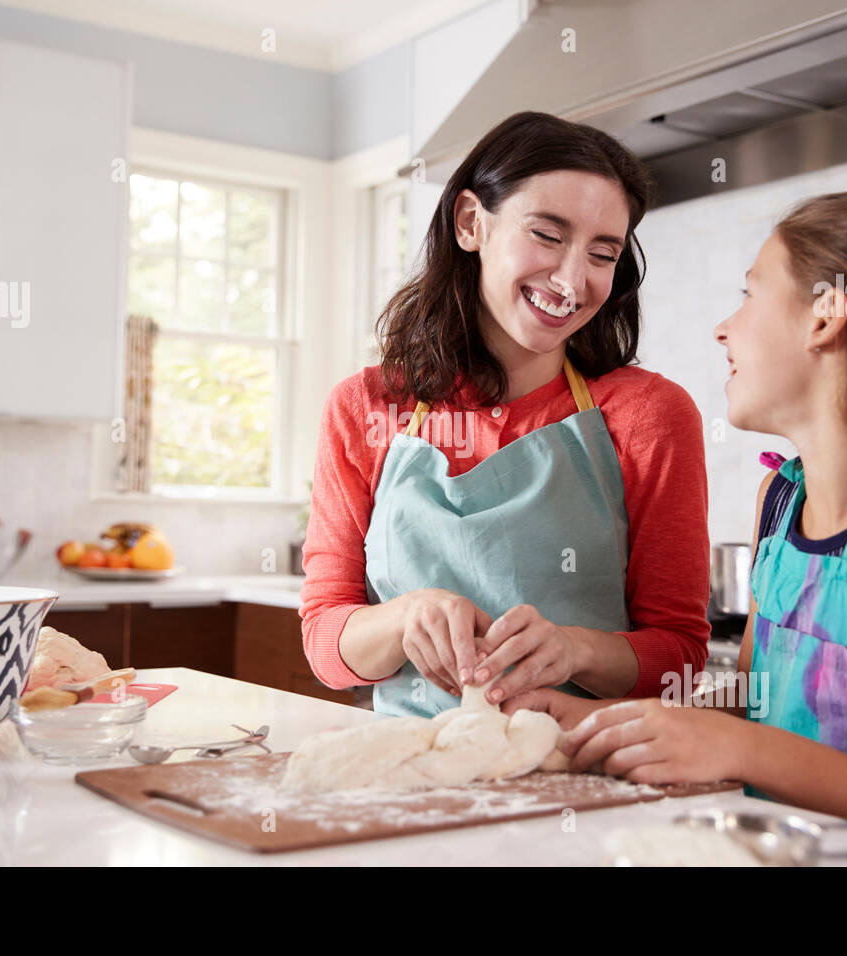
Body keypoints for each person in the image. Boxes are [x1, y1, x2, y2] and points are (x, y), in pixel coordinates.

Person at [510, 188, 847, 865]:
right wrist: (611, 726)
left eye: (748, 294)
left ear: (827, 317)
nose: (724, 328)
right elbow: (754, 703)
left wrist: (748, 751)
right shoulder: (781, 498)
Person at [298, 111, 711, 718]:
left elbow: (678, 658)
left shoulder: (651, 414)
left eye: (602, 253)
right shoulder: (364, 407)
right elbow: (326, 647)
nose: (572, 280)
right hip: (410, 769)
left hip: (585, 772)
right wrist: (404, 617)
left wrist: (575, 650)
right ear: (471, 223)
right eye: (548, 235)